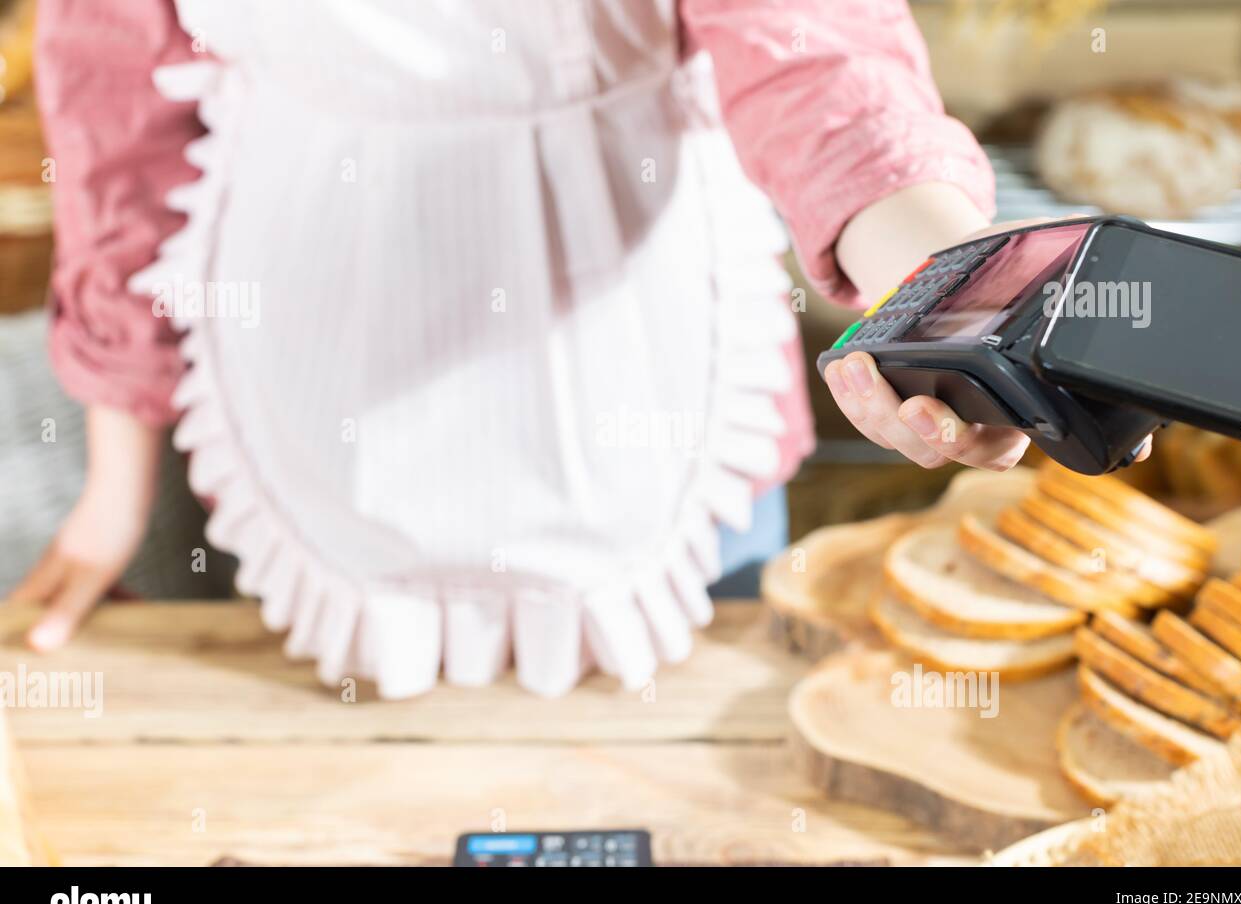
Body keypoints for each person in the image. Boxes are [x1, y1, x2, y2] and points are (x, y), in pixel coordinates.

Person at [13, 0, 1054, 697]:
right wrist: (115, 486)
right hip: (306, 382)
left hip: (659, 376)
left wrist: (942, 283)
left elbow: (815, 57)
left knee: (702, 751)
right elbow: (118, 116)